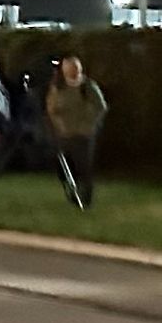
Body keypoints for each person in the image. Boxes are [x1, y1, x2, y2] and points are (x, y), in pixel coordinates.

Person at [44, 54, 108, 208]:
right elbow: (51, 108)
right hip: (64, 134)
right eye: (69, 69)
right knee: (66, 168)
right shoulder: (58, 87)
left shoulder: (87, 86)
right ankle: (72, 193)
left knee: (84, 167)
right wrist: (58, 124)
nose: (72, 72)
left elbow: (101, 107)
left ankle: (86, 199)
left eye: (75, 69)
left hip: (84, 135)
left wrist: (89, 125)